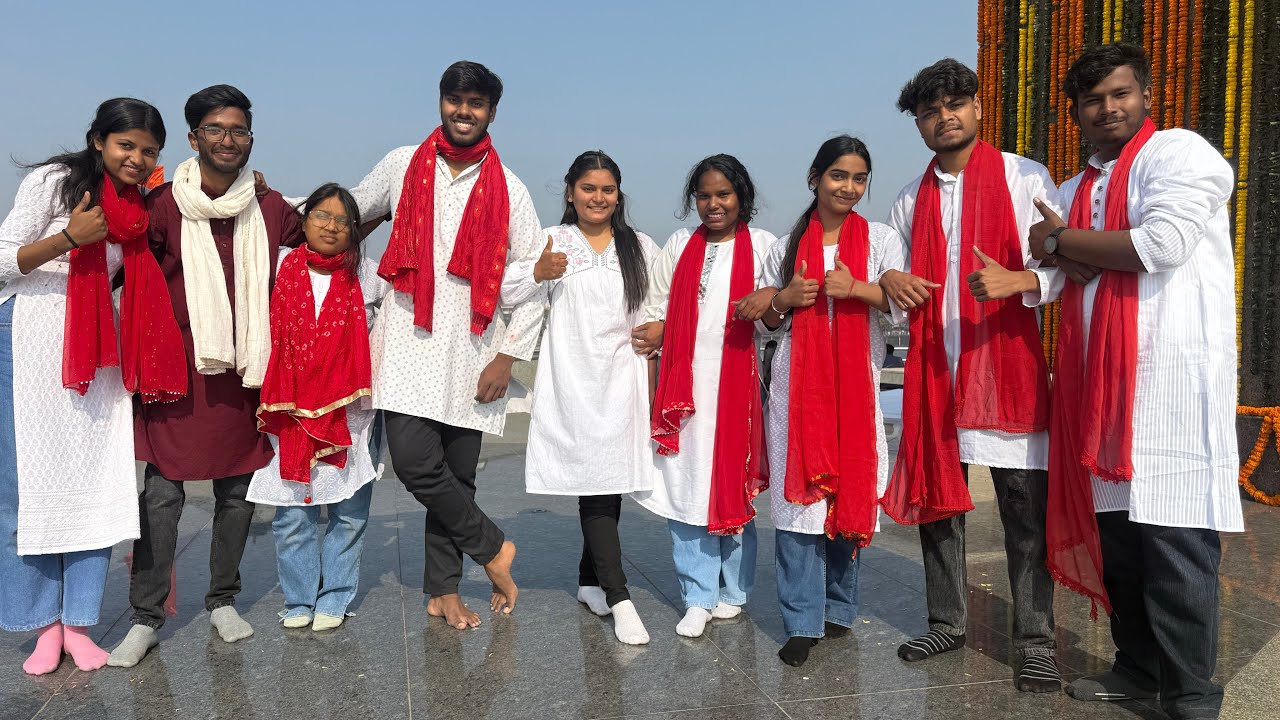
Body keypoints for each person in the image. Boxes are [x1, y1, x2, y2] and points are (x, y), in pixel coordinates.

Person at [1028, 43, 1243, 719]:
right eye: (1093, 100)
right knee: (1118, 547)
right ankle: (1137, 666)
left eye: (1120, 94)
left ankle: (1191, 696)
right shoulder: (1069, 189)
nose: (1107, 108)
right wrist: (1060, 249)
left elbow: (1161, 245)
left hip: (1169, 390)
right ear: (1077, 114)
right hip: (1097, 394)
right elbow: (1046, 270)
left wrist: (1066, 241)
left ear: (1146, 95)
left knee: (1176, 550)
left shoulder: (1180, 154)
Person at [877, 58, 1063, 692]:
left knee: (1024, 512)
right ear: (920, 124)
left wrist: (1025, 279)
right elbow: (893, 273)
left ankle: (1036, 639)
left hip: (1006, 367)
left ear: (980, 108)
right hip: (934, 374)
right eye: (931, 110)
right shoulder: (910, 198)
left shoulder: (1023, 176)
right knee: (938, 504)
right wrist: (890, 280)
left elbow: (1064, 252)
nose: (944, 116)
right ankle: (946, 620)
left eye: (955, 103)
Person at [337, 60, 540, 630]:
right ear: (441, 101)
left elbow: (531, 278)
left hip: (476, 350)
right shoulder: (403, 165)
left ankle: (443, 591)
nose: (464, 111)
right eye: (455, 99)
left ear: (492, 113)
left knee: (458, 474)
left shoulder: (511, 189)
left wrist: (508, 354)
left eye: (476, 103)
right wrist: (282, 210)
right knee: (414, 463)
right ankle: (494, 547)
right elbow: (348, 212)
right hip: (406, 341)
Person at [109, 85, 304, 668]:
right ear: (193, 139)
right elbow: (120, 271)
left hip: (246, 371)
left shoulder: (269, 208)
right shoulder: (164, 205)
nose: (227, 139)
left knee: (238, 493)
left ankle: (222, 599)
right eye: (215, 130)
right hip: (177, 372)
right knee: (162, 496)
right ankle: (145, 616)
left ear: (250, 141)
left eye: (238, 131)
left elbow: (320, 252)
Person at [0, 98, 181, 674]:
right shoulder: (56, 183)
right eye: (126, 144)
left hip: (99, 351)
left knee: (93, 482)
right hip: (28, 342)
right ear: (99, 140)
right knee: (26, 487)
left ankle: (77, 621)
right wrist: (68, 239)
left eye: (148, 150)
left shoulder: (137, 206)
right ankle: (41, 626)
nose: (136, 157)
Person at [743, 136, 901, 667]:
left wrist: (857, 287)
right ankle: (800, 620)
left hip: (855, 389)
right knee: (800, 508)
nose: (849, 187)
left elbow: (899, 310)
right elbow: (764, 322)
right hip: (796, 393)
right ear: (815, 178)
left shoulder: (880, 241)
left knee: (847, 497)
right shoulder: (783, 246)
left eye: (859, 178)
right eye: (838, 176)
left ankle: (838, 608)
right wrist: (783, 300)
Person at [505, 150, 658, 645]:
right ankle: (619, 596)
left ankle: (591, 582)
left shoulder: (639, 245)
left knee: (607, 484)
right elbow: (505, 293)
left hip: (622, 381)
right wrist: (537, 273)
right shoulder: (555, 242)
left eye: (608, 189)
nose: (598, 197)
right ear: (570, 192)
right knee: (595, 485)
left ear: (619, 194)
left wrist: (659, 328)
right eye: (588, 188)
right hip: (573, 381)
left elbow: (666, 300)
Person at [633, 154, 774, 638]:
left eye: (724, 194)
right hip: (686, 388)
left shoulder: (764, 245)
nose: (713, 204)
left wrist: (772, 301)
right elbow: (657, 303)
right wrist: (658, 328)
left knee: (731, 486)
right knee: (686, 490)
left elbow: (778, 317)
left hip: (737, 387)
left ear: (742, 197)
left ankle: (734, 590)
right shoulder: (679, 244)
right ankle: (697, 595)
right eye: (704, 195)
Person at [248, 183, 389, 632]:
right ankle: (299, 599)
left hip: (351, 414)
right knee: (293, 513)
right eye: (320, 216)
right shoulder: (278, 265)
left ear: (354, 230)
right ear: (303, 221)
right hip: (289, 409)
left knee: (349, 513)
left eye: (342, 220)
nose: (331, 226)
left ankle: (336, 597)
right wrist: (261, 189)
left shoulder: (369, 276)